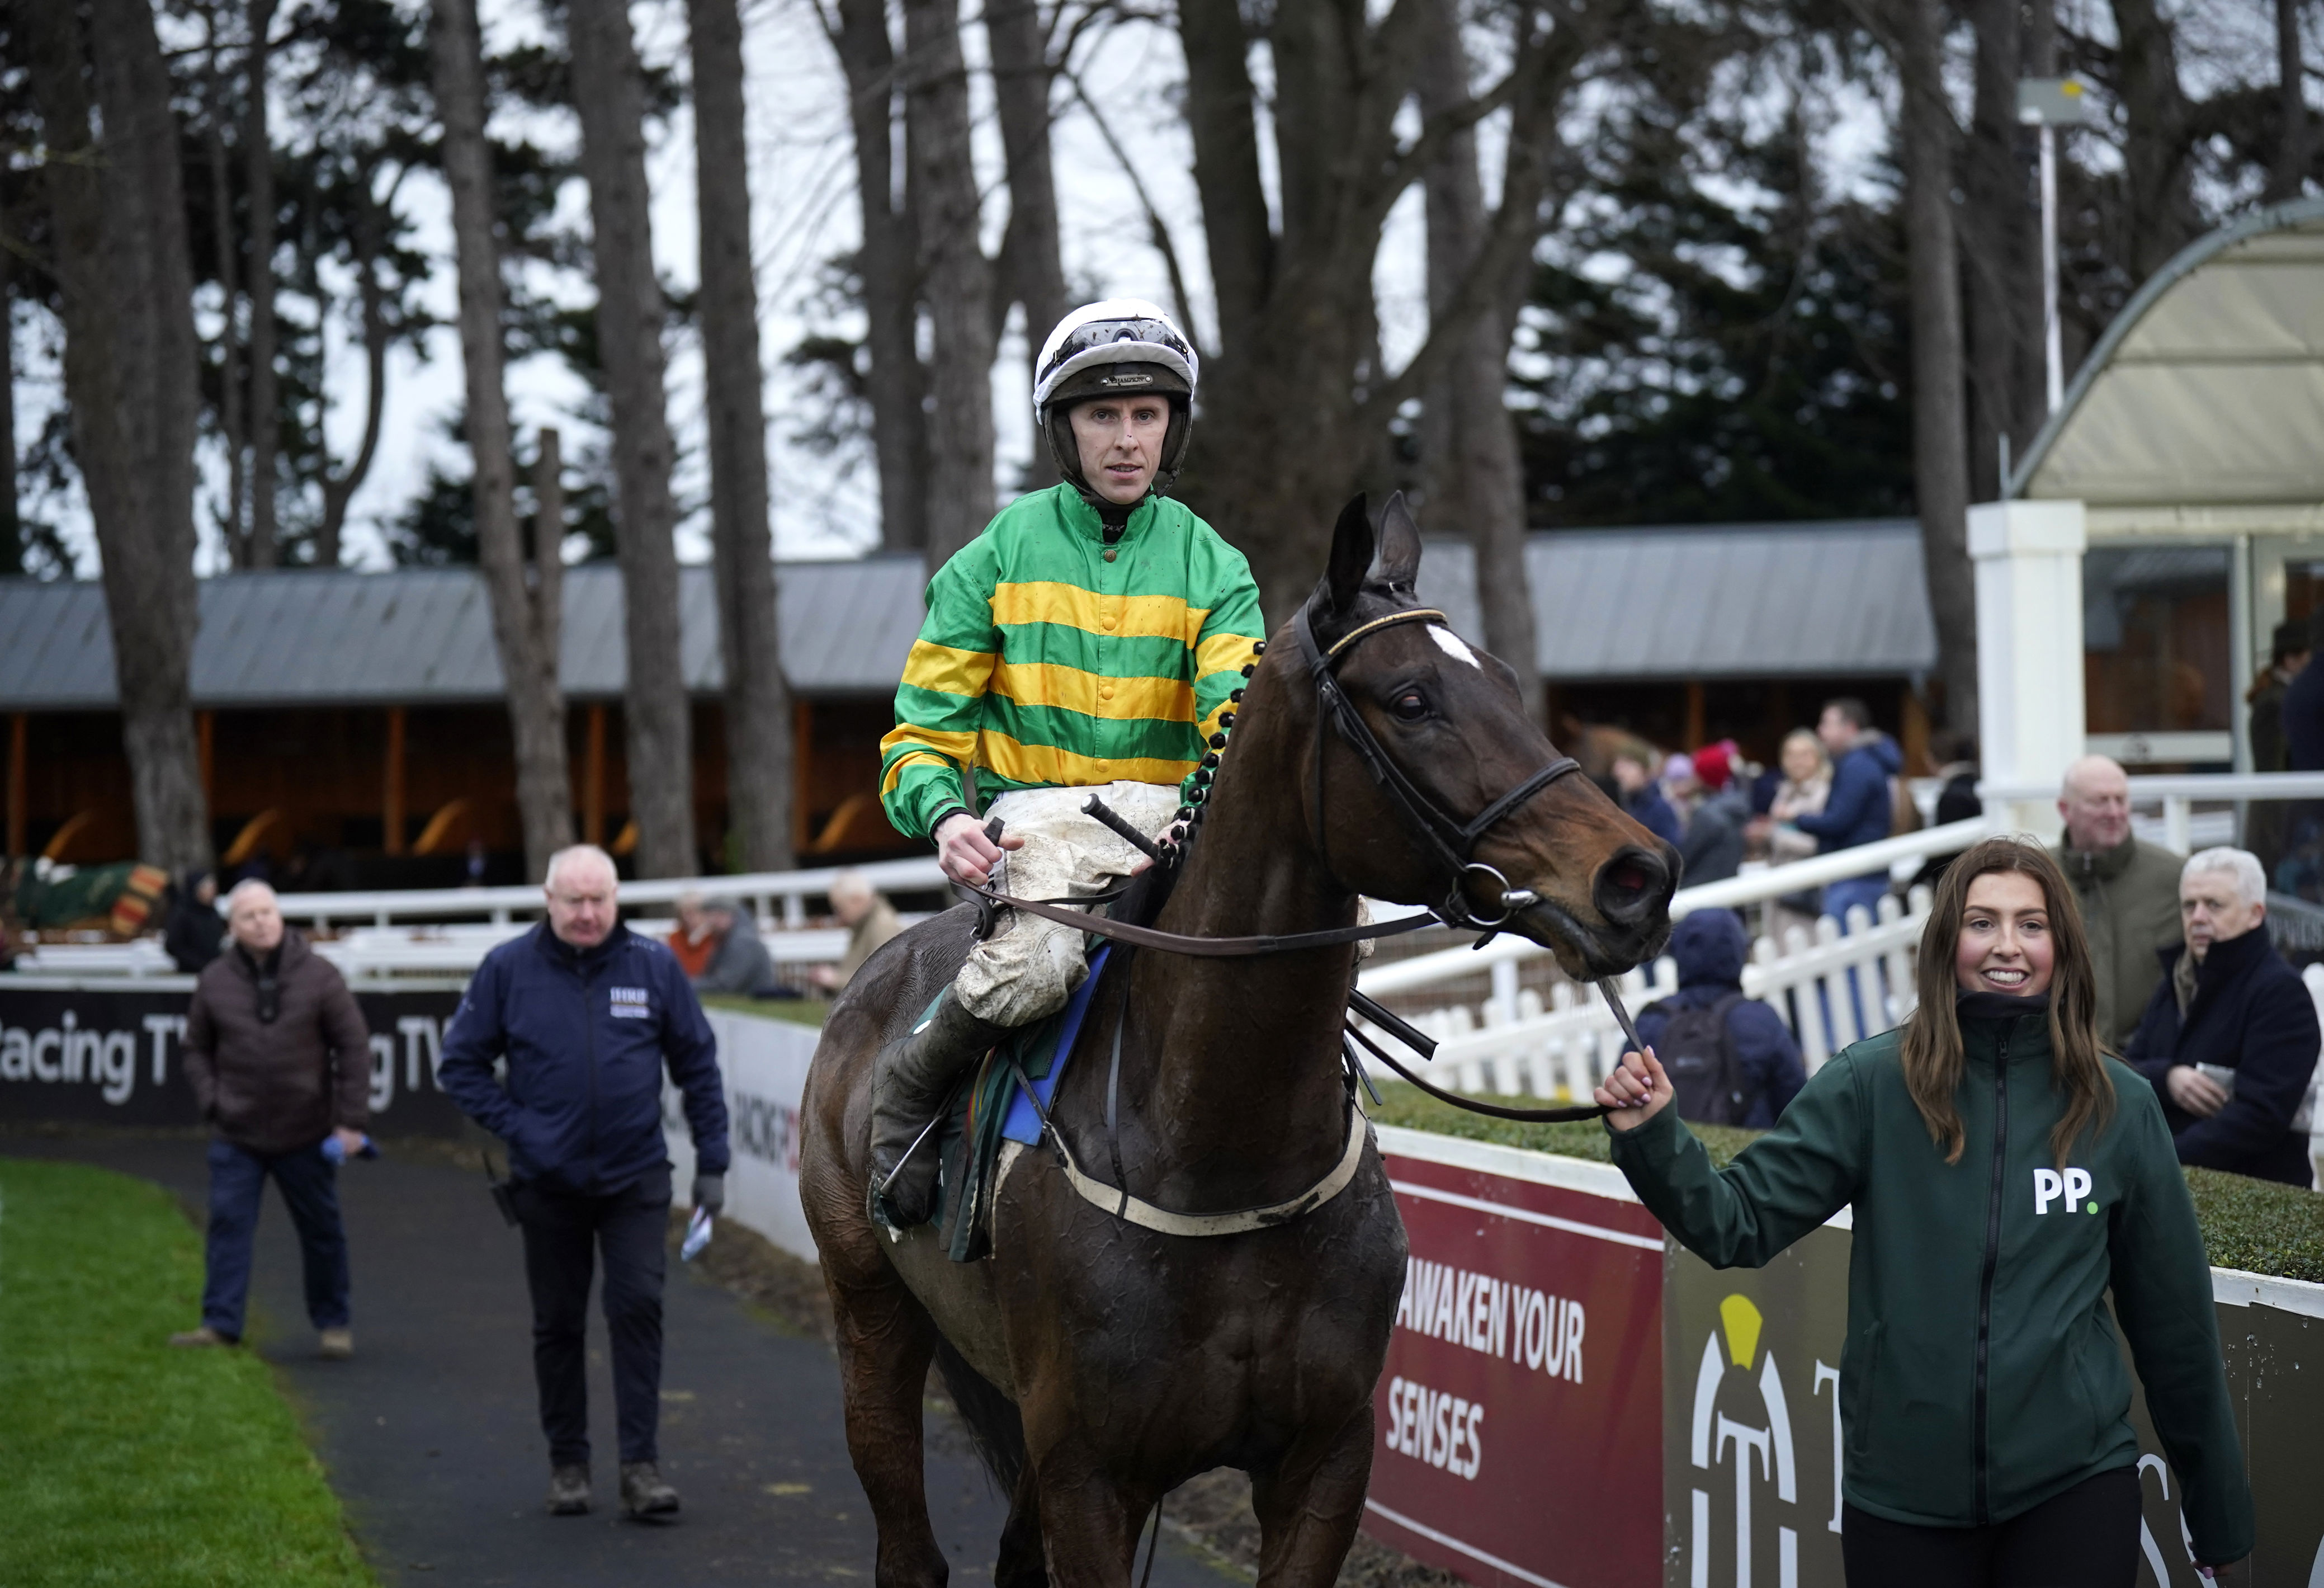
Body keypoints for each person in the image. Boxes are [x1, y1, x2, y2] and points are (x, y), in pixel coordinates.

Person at [1594, 837, 2252, 1582]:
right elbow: (1735, 1219)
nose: (2008, 944)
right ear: (1947, 941)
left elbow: (2178, 1328)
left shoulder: (2118, 1106)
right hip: (1903, 1498)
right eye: (1982, 922)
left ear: (2062, 945)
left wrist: (2220, 1518)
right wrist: (1653, 1137)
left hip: (2074, 1482)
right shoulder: (1871, 1083)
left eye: (2032, 924)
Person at [870, 300, 1264, 1228]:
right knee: (1039, 969)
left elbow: (1233, 720)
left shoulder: (1218, 567)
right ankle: (907, 1087)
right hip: (1038, 822)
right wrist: (946, 813)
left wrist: (1205, 804)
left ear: (1172, 429)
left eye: (1146, 415)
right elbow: (919, 735)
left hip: (1174, 824)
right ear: (1063, 428)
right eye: (1101, 416)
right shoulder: (994, 555)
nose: (1125, 439)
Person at [437, 844, 730, 1521]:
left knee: (637, 1312)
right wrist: (522, 1127)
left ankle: (641, 1468)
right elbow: (461, 1068)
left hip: (635, 1179)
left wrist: (712, 1164)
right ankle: (568, 1465)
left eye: (600, 899)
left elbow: (698, 1067)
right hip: (547, 1183)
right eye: (575, 900)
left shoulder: (654, 965)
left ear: (616, 898)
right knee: (558, 1324)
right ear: (549, 900)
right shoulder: (508, 968)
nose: (589, 912)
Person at [170, 882, 372, 1359]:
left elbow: (354, 1046)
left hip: (306, 1131)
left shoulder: (321, 976)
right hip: (236, 1132)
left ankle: (334, 1323)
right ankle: (219, 1324)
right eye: (250, 915)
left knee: (322, 1231)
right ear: (232, 926)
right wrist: (212, 1099)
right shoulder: (215, 979)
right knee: (227, 1226)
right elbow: (195, 1047)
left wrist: (351, 1121)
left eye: (268, 912)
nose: (262, 921)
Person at [2124, 847, 2320, 1187]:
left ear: (2255, 914)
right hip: (2173, 1187)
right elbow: (2126, 1069)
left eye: (2214, 905)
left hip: (2253, 1201)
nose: (2198, 917)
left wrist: (2163, 1159)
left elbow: (2261, 1116)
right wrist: (2169, 1077)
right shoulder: (2179, 978)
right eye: (2190, 905)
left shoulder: (2281, 993)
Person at [2050, 754, 2183, 1051]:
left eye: (2121, 800)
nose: (2114, 812)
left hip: (2147, 1065)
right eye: (2099, 802)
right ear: (2065, 809)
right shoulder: (2036, 875)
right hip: (2055, 1058)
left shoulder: (2174, 879)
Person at [1634, 910, 1803, 1126]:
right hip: (1748, 1154)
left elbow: (1625, 1103)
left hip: (1668, 1154)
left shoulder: (1652, 1019)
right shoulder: (1761, 1019)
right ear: (1739, 952)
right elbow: (1796, 1103)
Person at [1792, 698, 1901, 925]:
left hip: (1855, 875)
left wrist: (1797, 818)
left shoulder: (1857, 765)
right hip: (1863, 871)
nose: (1821, 732)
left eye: (1827, 724)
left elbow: (1839, 821)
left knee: (1854, 954)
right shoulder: (1864, 760)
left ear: (1850, 727)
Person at [807, 870, 903, 994]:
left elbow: (882, 979)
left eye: (840, 909)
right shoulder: (863, 924)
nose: (838, 916)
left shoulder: (882, 925)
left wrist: (835, 980)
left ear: (857, 900)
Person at [1676, 743, 1750, 885]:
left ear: (1703, 777)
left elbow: (1684, 859)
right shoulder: (1736, 807)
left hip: (1699, 890)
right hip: (1725, 889)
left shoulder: (1707, 816)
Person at [692, 897, 783, 997]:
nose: (711, 921)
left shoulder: (743, 942)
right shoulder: (727, 939)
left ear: (731, 915)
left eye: (717, 915)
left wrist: (685, 984)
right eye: (709, 916)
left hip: (752, 1004)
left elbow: (725, 986)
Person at [1610, 746, 1682, 847]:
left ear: (1645, 770)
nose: (1618, 773)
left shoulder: (1660, 809)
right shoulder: (1629, 804)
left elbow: (1670, 852)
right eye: (1618, 766)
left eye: (1626, 766)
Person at [164, 868, 226, 973]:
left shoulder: (213, 912)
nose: (212, 891)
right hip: (189, 972)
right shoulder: (182, 913)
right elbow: (173, 945)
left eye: (213, 887)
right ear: (196, 890)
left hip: (214, 970)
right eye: (207, 888)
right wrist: (199, 963)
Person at [665, 891, 716, 979]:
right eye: (686, 912)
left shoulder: (715, 938)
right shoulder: (674, 939)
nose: (690, 917)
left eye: (696, 911)